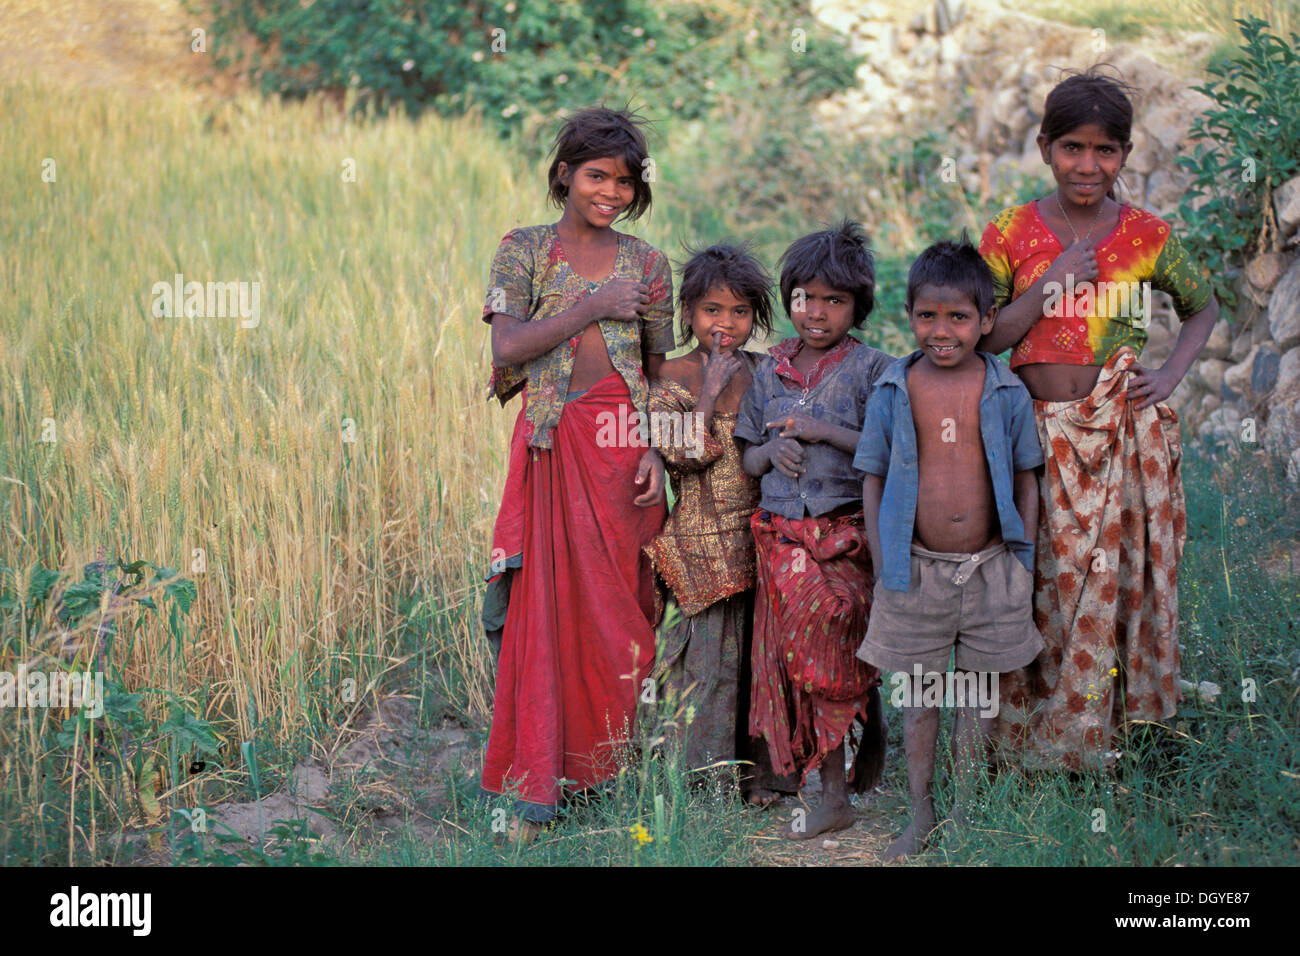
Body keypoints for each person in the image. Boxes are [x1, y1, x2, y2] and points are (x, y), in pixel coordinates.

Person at [977, 68, 1220, 771]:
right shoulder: (1013, 232)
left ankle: (1100, 740)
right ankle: (1027, 739)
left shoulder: (1146, 233)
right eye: (1073, 148)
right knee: (1044, 584)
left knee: (1114, 586)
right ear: (1044, 146)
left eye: (1105, 150)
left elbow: (1201, 306)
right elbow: (985, 335)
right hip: (1037, 441)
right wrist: (1051, 285)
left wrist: (1170, 374)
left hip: (1121, 436)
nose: (1088, 165)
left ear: (1125, 153)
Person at [478, 106, 674, 841]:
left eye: (625, 181)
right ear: (565, 174)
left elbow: (658, 370)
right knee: (546, 611)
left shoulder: (649, 263)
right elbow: (507, 350)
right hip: (550, 445)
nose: (612, 192)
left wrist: (657, 447)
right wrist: (592, 306)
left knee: (620, 608)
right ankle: (538, 771)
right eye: (597, 175)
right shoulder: (523, 250)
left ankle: (608, 769)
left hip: (624, 453)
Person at [854, 238, 1045, 860]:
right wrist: (886, 565)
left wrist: (1023, 558)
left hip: (992, 569)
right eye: (927, 316)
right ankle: (920, 814)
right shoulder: (894, 386)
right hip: (914, 571)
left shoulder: (1005, 388)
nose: (942, 331)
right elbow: (874, 476)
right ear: (908, 315)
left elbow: (1025, 476)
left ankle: (964, 814)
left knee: (978, 699)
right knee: (918, 700)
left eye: (959, 317)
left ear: (987, 321)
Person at [734, 220, 892, 839]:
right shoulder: (768, 372)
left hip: (848, 537)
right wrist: (772, 455)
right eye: (803, 297)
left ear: (858, 306)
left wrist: (820, 430)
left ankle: (855, 748)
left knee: (836, 645)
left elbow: (886, 449)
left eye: (835, 300)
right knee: (806, 658)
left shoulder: (875, 369)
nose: (816, 312)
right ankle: (831, 788)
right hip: (781, 536)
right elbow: (748, 456)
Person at [642, 243, 796, 803]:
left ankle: (767, 778)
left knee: (763, 664)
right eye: (711, 310)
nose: (724, 324)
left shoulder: (766, 371)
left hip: (761, 541)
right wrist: (707, 393)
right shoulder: (672, 376)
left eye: (738, 312)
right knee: (708, 671)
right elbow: (681, 453)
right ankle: (705, 784)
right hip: (702, 549)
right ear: (687, 313)